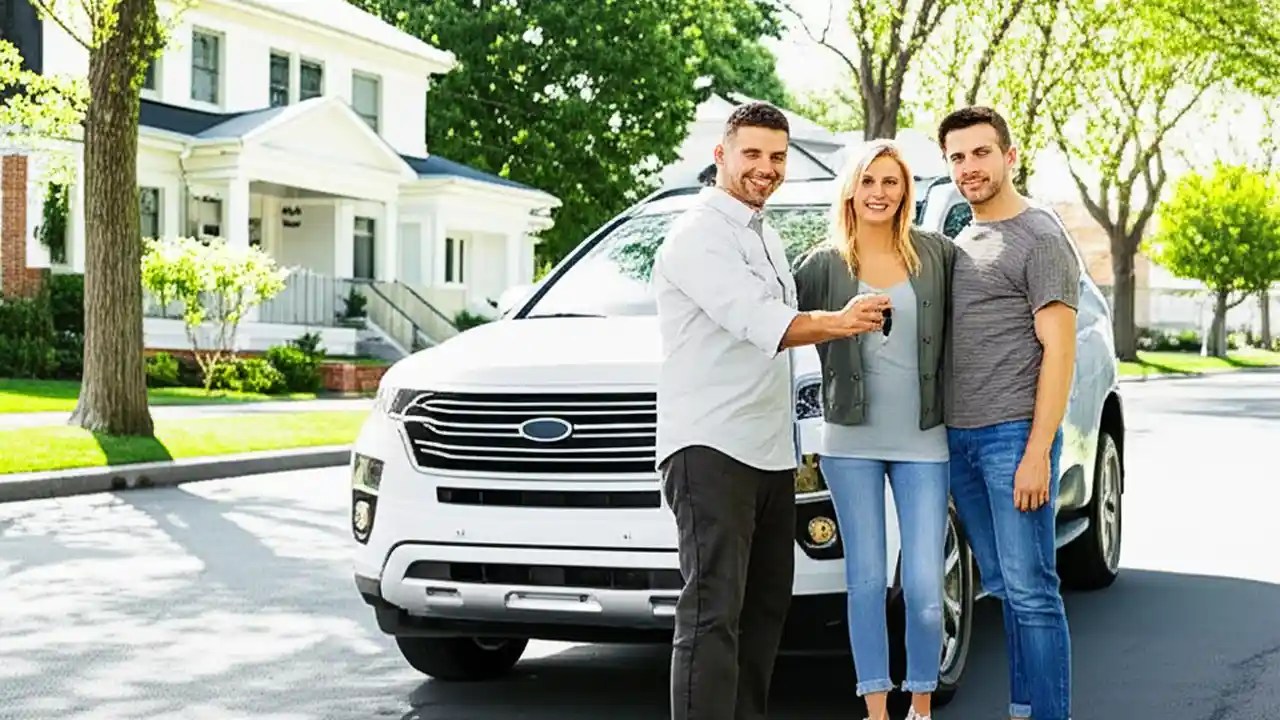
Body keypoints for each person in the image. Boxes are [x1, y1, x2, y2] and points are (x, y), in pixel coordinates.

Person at [651, 101, 890, 720]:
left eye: (777, 156)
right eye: (752, 153)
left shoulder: (764, 233)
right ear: (721, 155)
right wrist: (839, 324)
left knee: (762, 614)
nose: (766, 167)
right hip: (710, 449)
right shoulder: (699, 235)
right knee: (712, 613)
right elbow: (762, 323)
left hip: (768, 451)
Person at [792, 139, 955, 720]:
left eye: (890, 182)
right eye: (868, 182)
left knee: (922, 583)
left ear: (905, 191)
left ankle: (922, 703)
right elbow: (779, 328)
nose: (879, 193)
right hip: (849, 441)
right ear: (851, 191)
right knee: (863, 578)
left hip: (923, 440)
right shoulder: (820, 266)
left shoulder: (937, 255)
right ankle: (876, 708)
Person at [937, 106, 1079, 720]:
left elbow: (1061, 350)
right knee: (1002, 587)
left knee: (1033, 592)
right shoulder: (960, 241)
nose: (969, 167)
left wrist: (1035, 452)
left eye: (981, 153)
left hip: (1011, 438)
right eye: (957, 157)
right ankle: (1024, 709)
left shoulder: (1040, 236)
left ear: (1009, 156)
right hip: (960, 442)